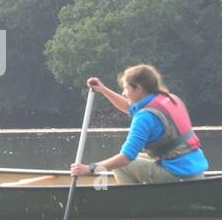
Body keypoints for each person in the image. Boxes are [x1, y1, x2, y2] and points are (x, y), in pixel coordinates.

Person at [68, 64, 209, 184]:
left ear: (138, 89)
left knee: (121, 166)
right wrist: (103, 90)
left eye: (126, 88)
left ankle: (136, 202)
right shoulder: (170, 99)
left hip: (179, 174)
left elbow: (125, 158)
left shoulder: (145, 116)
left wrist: (90, 169)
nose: (124, 93)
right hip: (195, 170)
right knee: (133, 158)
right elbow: (129, 107)